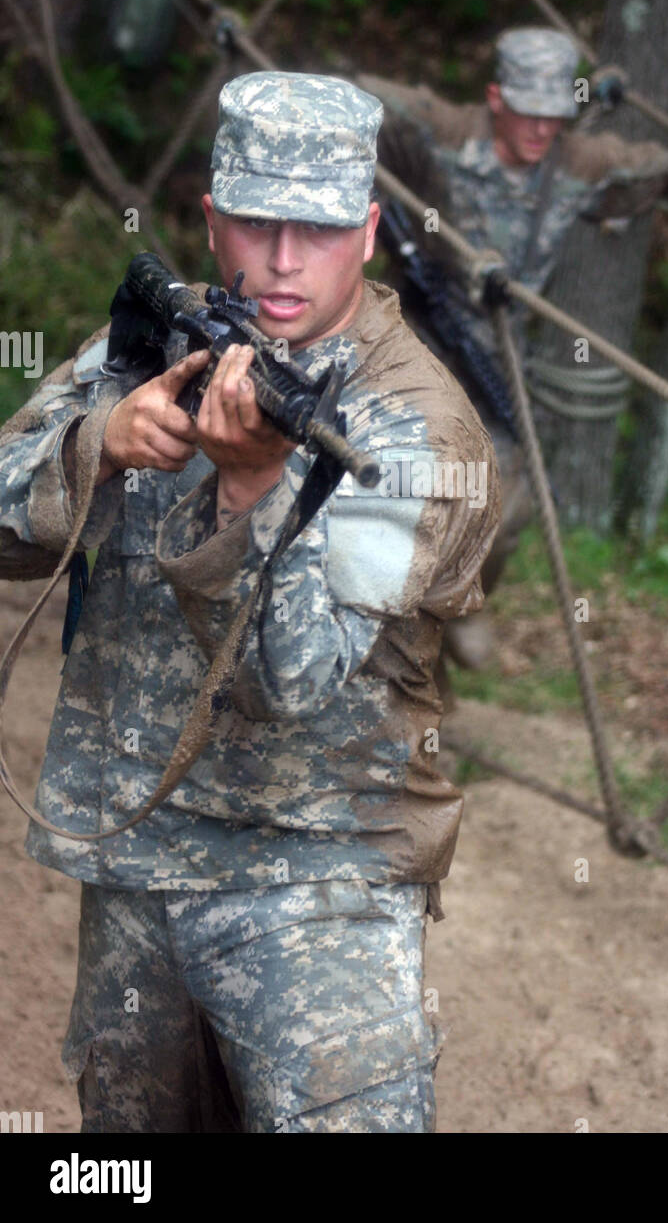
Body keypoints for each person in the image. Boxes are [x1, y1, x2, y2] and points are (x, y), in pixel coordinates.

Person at [0, 72, 501, 1133]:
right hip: (137, 871)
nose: (280, 260)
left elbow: (293, 684)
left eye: (315, 229)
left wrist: (251, 490)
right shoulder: (152, 347)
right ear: (209, 217)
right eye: (256, 222)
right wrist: (99, 449)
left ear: (365, 232)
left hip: (320, 885)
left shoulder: (413, 432)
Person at [358, 26, 668, 669]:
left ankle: (455, 603)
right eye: (528, 113)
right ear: (495, 99)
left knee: (508, 500)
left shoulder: (575, 163)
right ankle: (378, 622)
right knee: (393, 482)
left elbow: (664, 168)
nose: (541, 130)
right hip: (414, 338)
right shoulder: (442, 130)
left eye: (554, 116)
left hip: (496, 354)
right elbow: (361, 95)